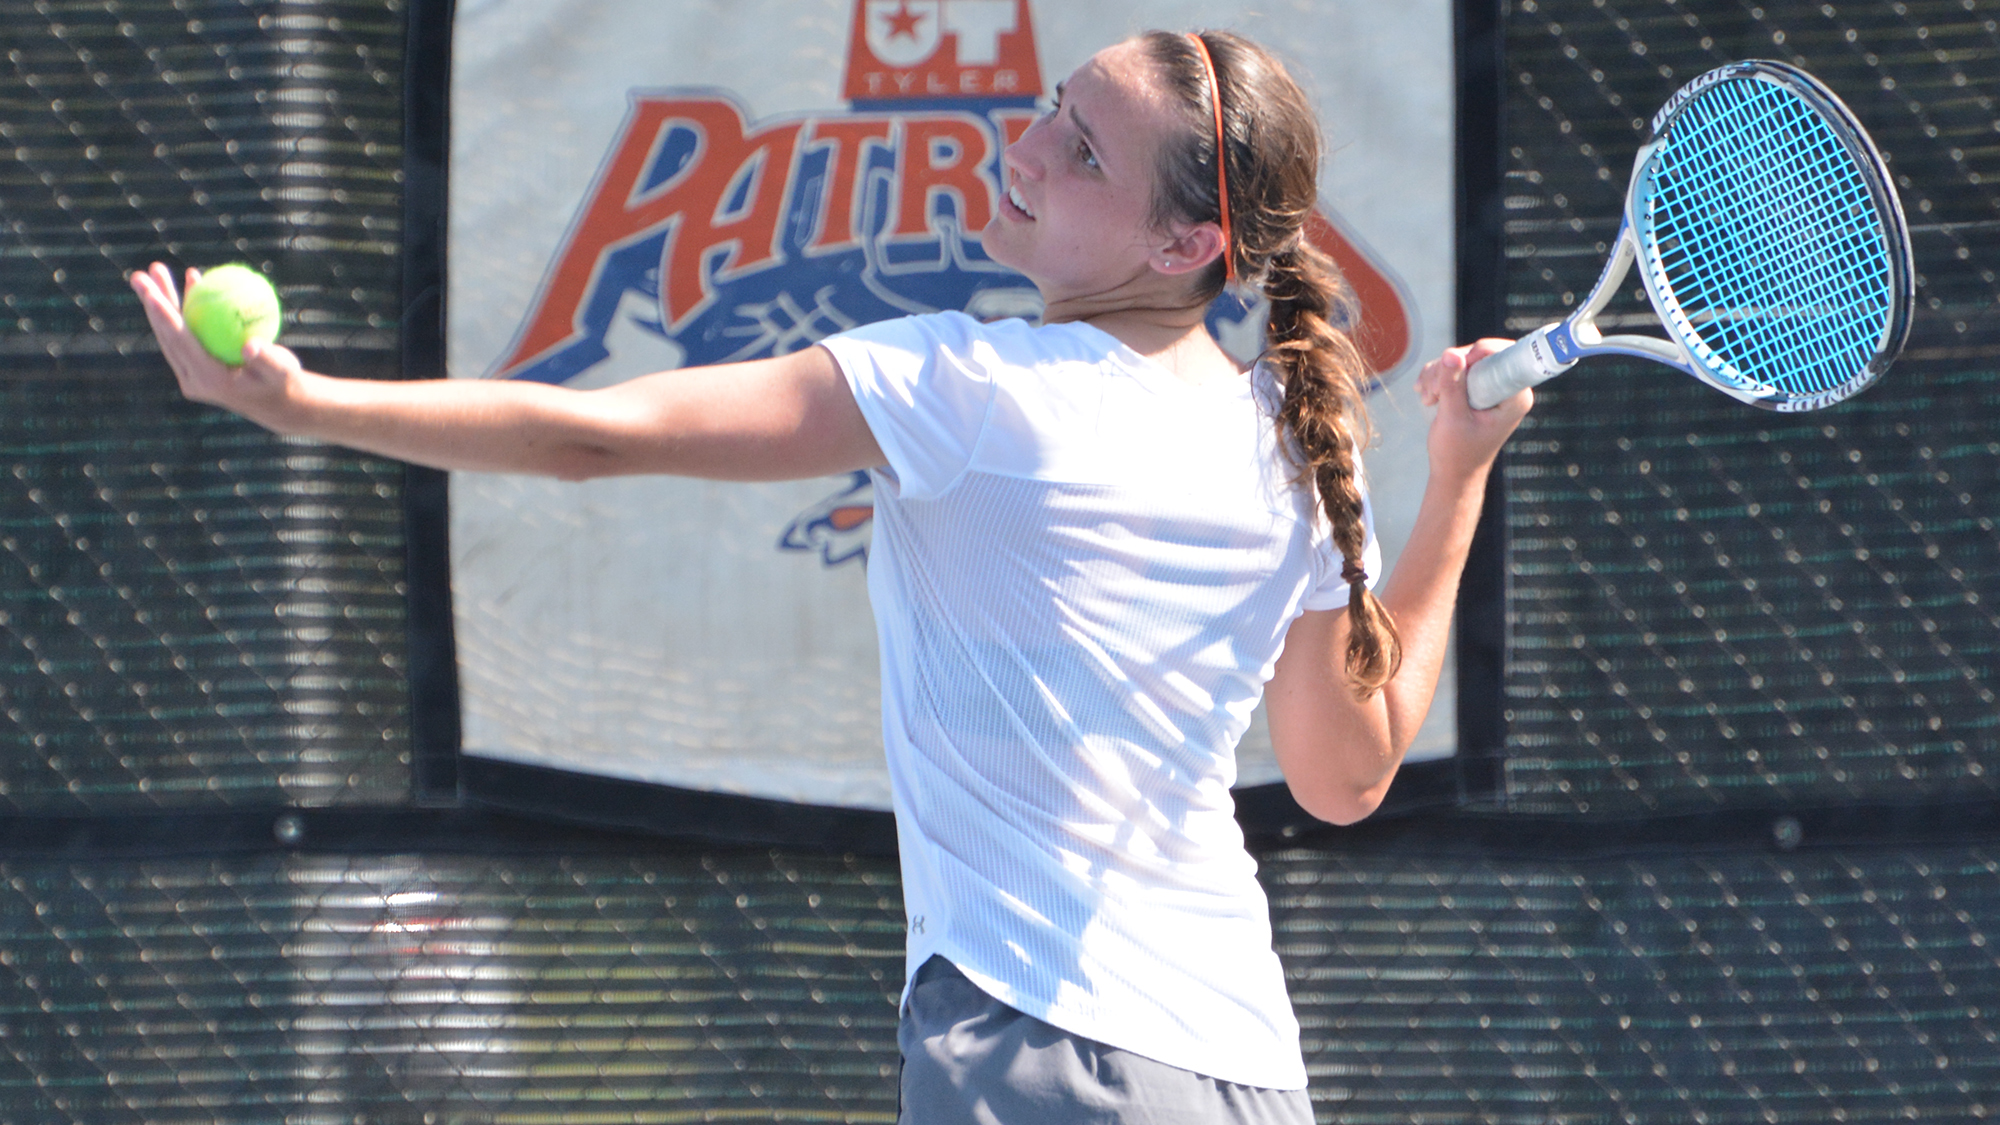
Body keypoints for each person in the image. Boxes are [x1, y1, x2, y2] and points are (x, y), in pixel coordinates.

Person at [132, 28, 1529, 1125]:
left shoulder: (970, 388)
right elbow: (1346, 771)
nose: (1028, 149)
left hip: (1039, 1057)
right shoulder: (1278, 444)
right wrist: (1458, 474)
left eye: (1083, 153)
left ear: (1186, 246)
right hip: (1245, 1072)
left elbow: (594, 436)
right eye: (1053, 105)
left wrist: (309, 407)